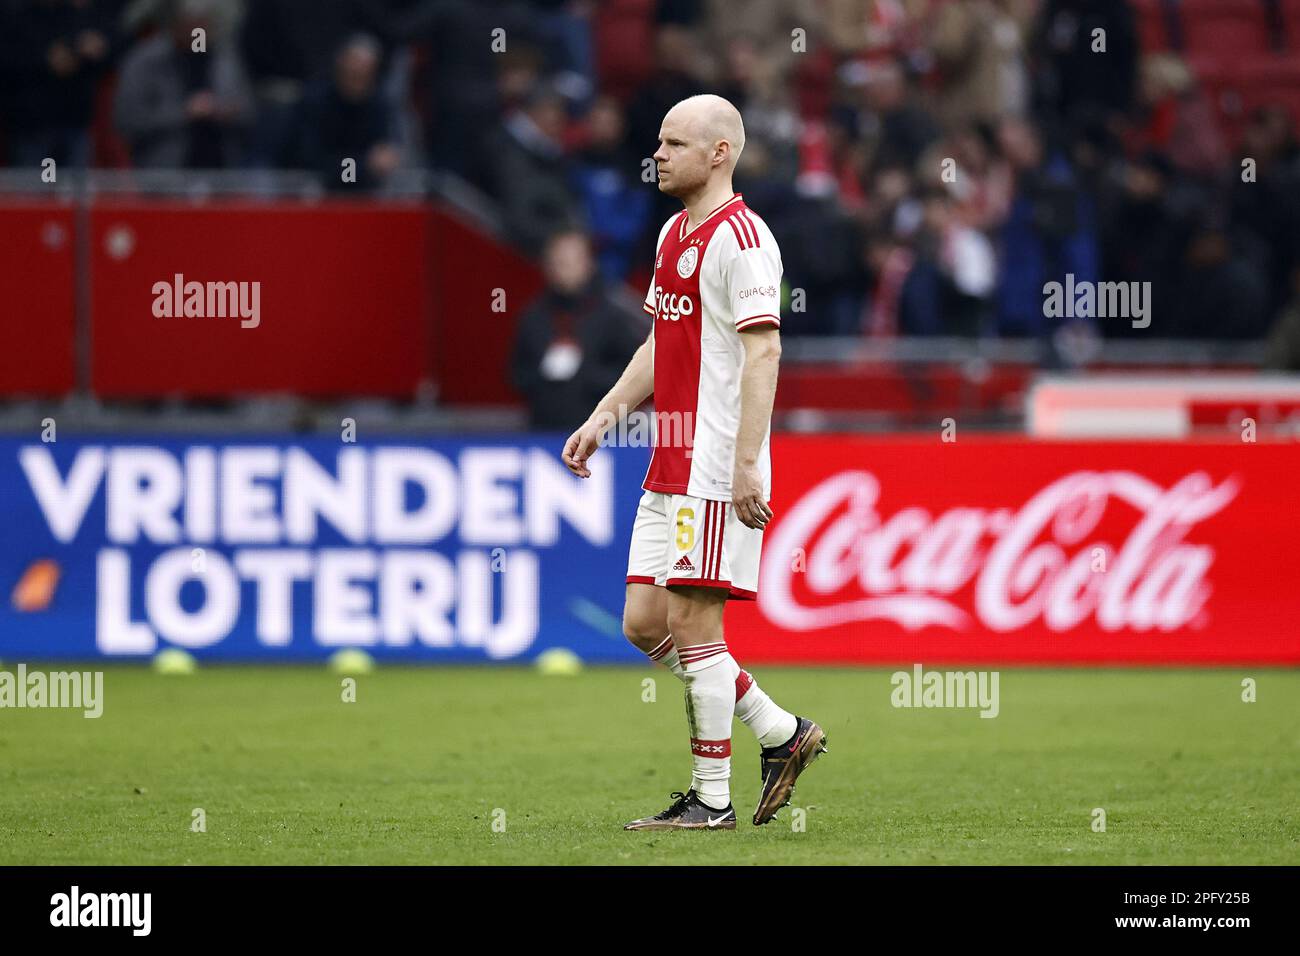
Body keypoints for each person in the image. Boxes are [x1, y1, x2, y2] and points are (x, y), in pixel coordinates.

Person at [561, 94, 826, 831]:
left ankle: (711, 799)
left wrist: (747, 464)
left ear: (719, 153)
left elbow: (764, 349)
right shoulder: (674, 232)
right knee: (645, 625)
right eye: (658, 141)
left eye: (675, 143)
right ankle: (780, 732)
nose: (659, 155)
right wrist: (604, 416)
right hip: (668, 458)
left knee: (695, 626)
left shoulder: (744, 240)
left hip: (713, 460)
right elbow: (659, 346)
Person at [509, 229, 645, 429]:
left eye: (571, 262)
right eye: (558, 262)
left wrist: (586, 375)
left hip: (603, 434)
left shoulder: (612, 316)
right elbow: (516, 374)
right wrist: (544, 374)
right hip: (545, 432)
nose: (564, 270)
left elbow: (635, 375)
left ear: (588, 264)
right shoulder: (533, 316)